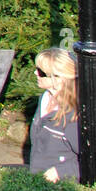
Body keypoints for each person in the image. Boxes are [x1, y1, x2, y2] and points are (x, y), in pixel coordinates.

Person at [28, 47, 80, 183]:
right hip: (37, 178)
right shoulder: (44, 99)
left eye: (40, 72)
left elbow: (95, 160)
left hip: (60, 187)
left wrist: (60, 172)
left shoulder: (73, 116)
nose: (35, 73)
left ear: (57, 78)